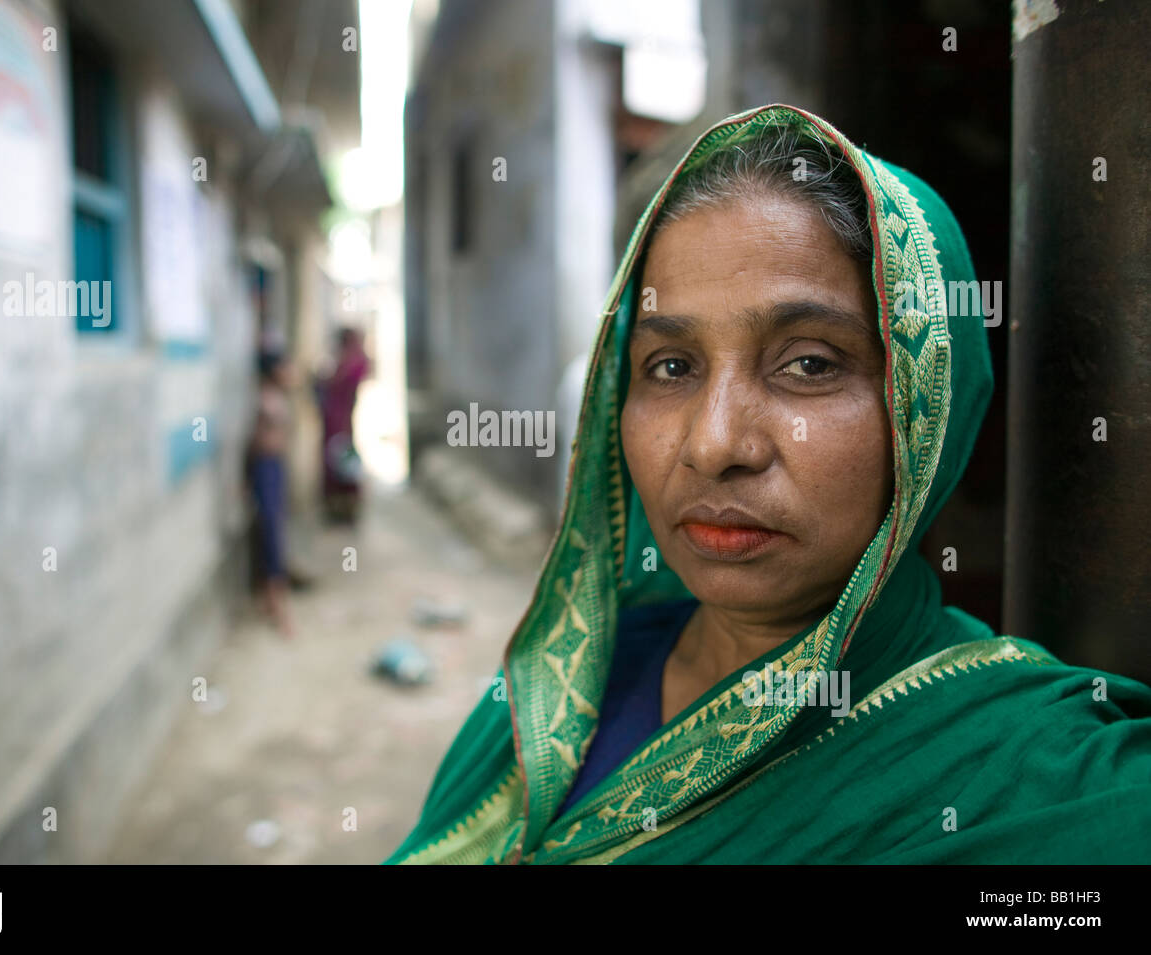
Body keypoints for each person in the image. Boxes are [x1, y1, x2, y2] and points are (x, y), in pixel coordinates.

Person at [385, 104, 1151, 864]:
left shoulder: (1040, 777)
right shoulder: (556, 692)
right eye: (671, 366)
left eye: (810, 363)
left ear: (924, 409)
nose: (714, 444)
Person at [247, 350, 295, 637]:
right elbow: (256, 440)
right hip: (265, 468)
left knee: (274, 528)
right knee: (270, 531)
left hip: (273, 466)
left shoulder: (274, 398)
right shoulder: (266, 401)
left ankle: (270, 599)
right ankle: (277, 607)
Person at [315, 327, 371, 524]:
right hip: (335, 422)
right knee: (336, 464)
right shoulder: (344, 363)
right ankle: (337, 508)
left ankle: (346, 508)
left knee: (343, 464)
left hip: (341, 423)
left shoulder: (352, 364)